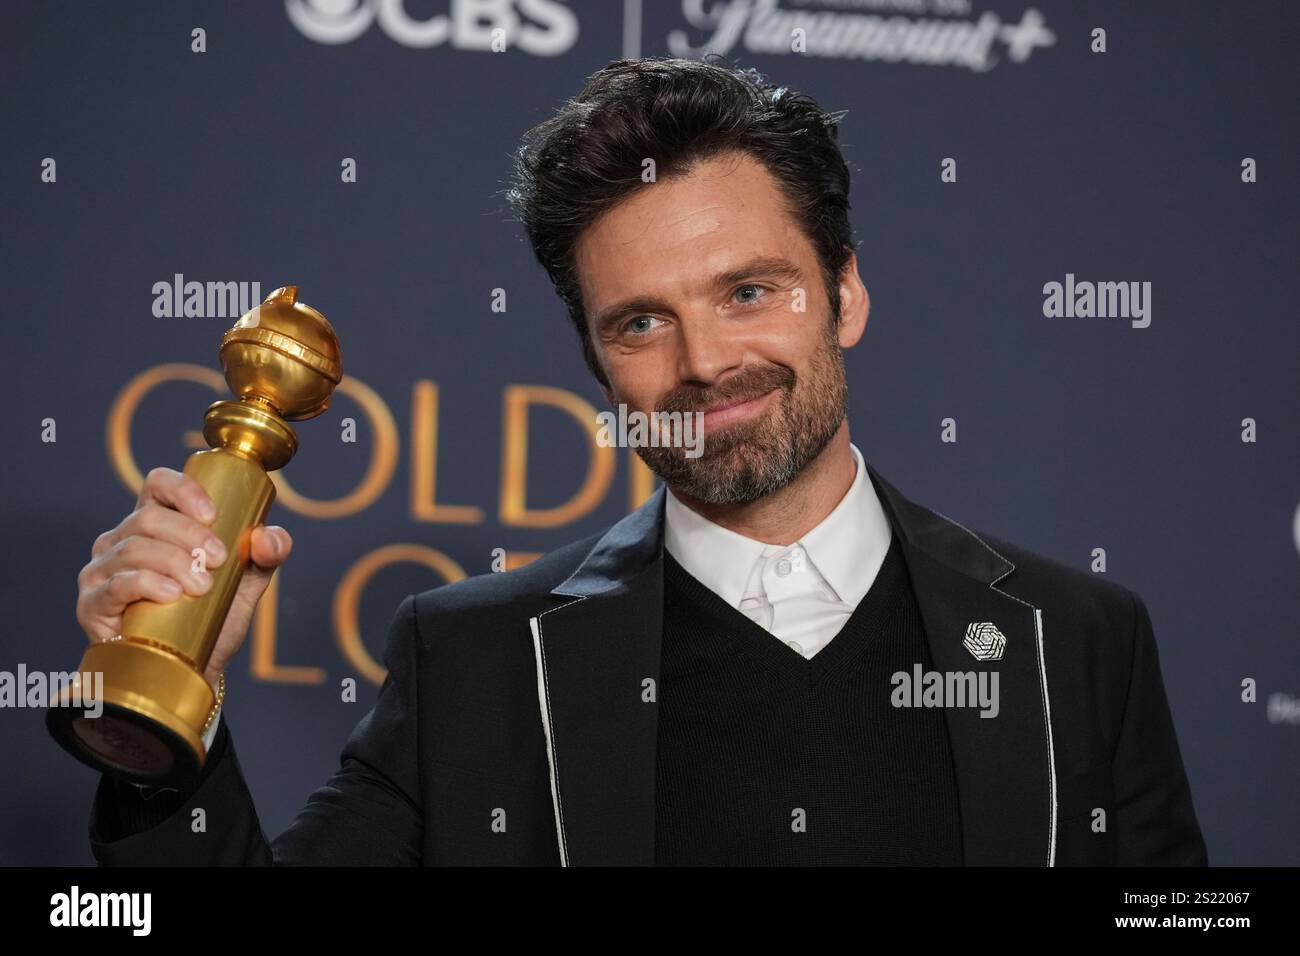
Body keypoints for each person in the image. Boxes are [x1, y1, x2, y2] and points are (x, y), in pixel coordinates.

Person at [75, 57, 1207, 866]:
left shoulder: (1079, 640)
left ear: (845, 292)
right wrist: (166, 728)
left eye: (749, 291)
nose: (705, 361)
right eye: (640, 322)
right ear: (595, 363)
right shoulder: (472, 659)